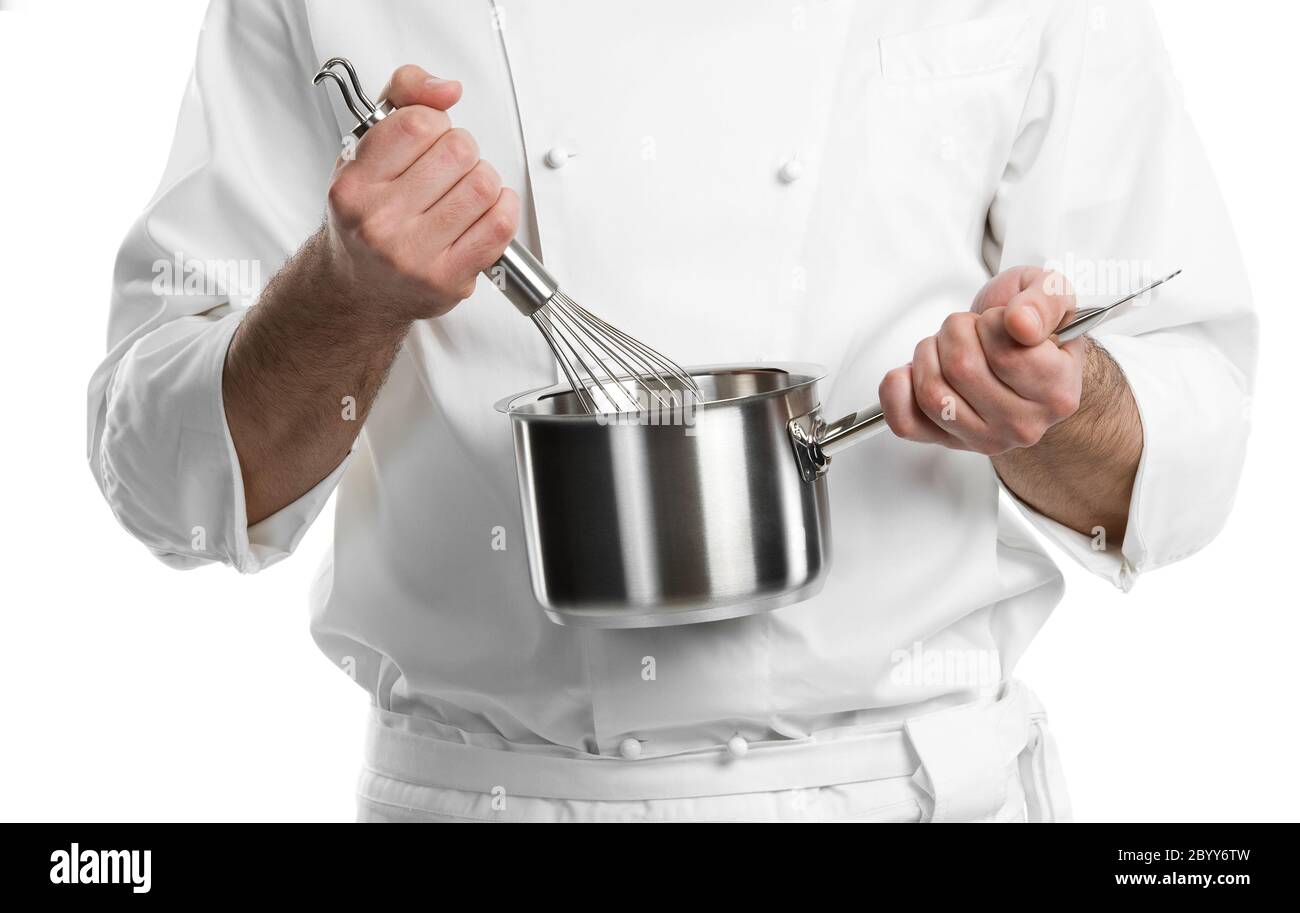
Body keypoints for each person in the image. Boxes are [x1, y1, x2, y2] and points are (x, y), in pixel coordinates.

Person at [87, 0, 1255, 822]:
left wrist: (1052, 404)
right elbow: (169, 484)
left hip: (904, 798)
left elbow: (1186, 458)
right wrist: (344, 298)